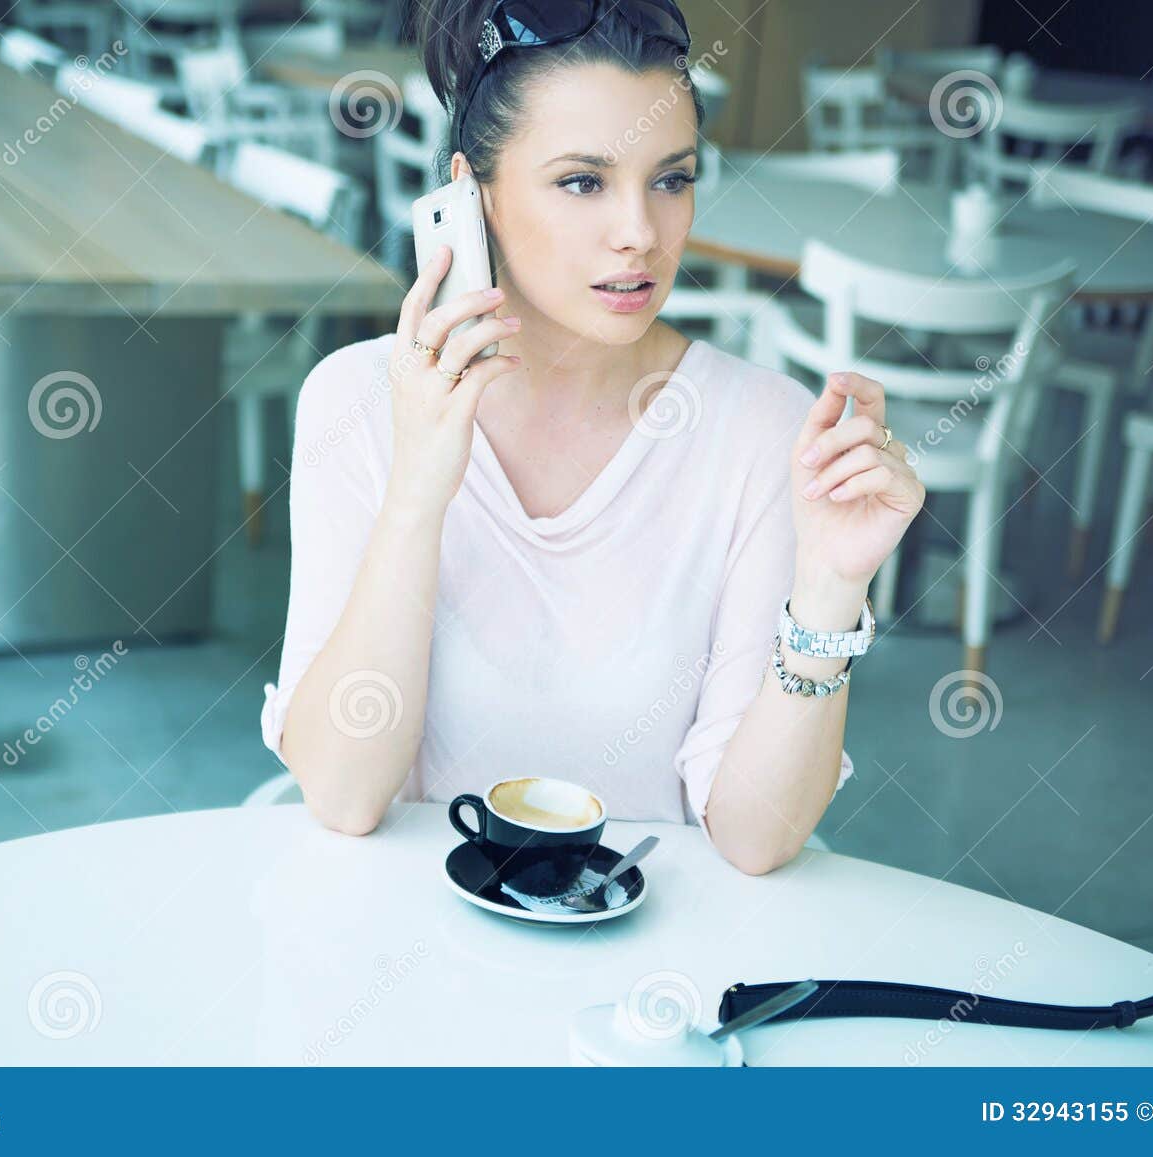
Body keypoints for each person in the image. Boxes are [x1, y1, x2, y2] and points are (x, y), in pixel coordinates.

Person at [261, 0, 924, 874]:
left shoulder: (761, 429)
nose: (640, 234)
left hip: (656, 982)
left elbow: (756, 838)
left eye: (671, 179)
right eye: (582, 181)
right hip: (407, 953)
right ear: (474, 192)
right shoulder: (356, 398)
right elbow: (345, 795)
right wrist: (420, 488)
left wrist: (832, 591)